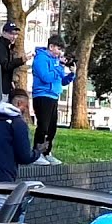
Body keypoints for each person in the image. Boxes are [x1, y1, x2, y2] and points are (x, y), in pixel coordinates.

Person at [0, 88, 40, 213]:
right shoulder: (17, 123)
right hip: (3, 174)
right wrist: (38, 152)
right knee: (3, 212)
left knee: (5, 209)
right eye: (25, 106)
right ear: (18, 104)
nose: (26, 111)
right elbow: (24, 157)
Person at [30, 35, 76, 165]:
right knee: (43, 126)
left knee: (52, 128)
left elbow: (62, 81)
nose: (61, 52)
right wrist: (59, 67)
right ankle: (36, 153)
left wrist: (72, 74)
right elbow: (46, 77)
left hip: (54, 95)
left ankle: (47, 152)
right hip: (42, 95)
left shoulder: (57, 62)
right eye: (59, 49)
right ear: (51, 47)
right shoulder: (41, 58)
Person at [0, 22, 31, 101]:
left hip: (3, 88)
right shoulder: (0, 48)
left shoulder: (6, 47)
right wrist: (21, 60)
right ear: (4, 33)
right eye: (11, 33)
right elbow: (5, 66)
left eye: (16, 34)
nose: (14, 37)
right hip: (0, 89)